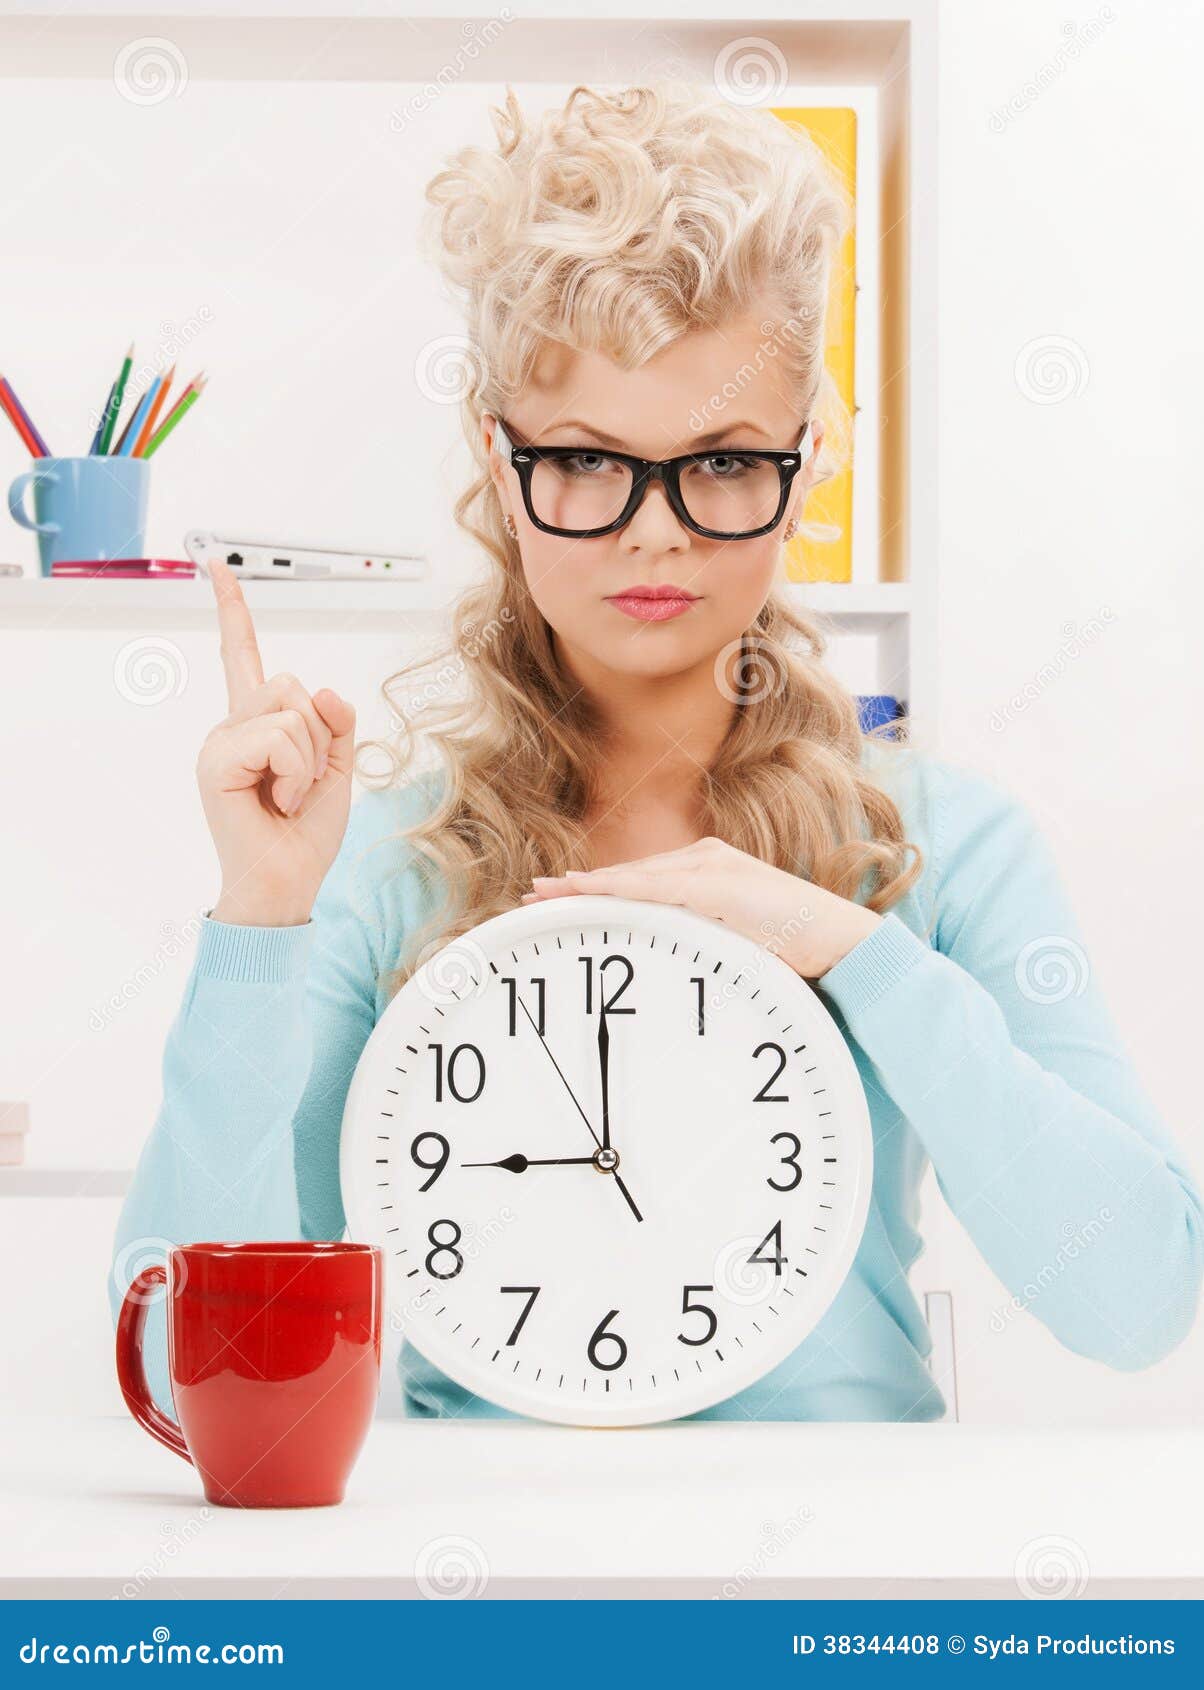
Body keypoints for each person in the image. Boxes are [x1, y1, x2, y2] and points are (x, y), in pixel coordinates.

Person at [110, 82, 1202, 1423]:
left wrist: (860, 954)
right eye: (586, 460)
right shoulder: (382, 863)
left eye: (724, 464)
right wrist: (261, 922)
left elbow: (1139, 1296)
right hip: (485, 1579)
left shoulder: (940, 849)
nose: (656, 534)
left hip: (841, 1581)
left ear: (805, 467)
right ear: (502, 469)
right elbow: (181, 1370)